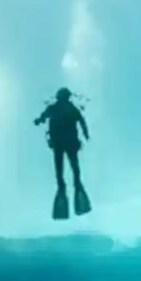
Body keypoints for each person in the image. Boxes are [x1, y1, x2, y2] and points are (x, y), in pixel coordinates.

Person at [34, 87, 91, 219]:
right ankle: (76, 184)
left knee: (61, 169)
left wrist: (39, 120)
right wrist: (86, 134)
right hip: (69, 143)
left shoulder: (55, 108)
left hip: (59, 144)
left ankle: (63, 186)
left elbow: (43, 117)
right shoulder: (71, 108)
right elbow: (82, 121)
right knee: (74, 167)